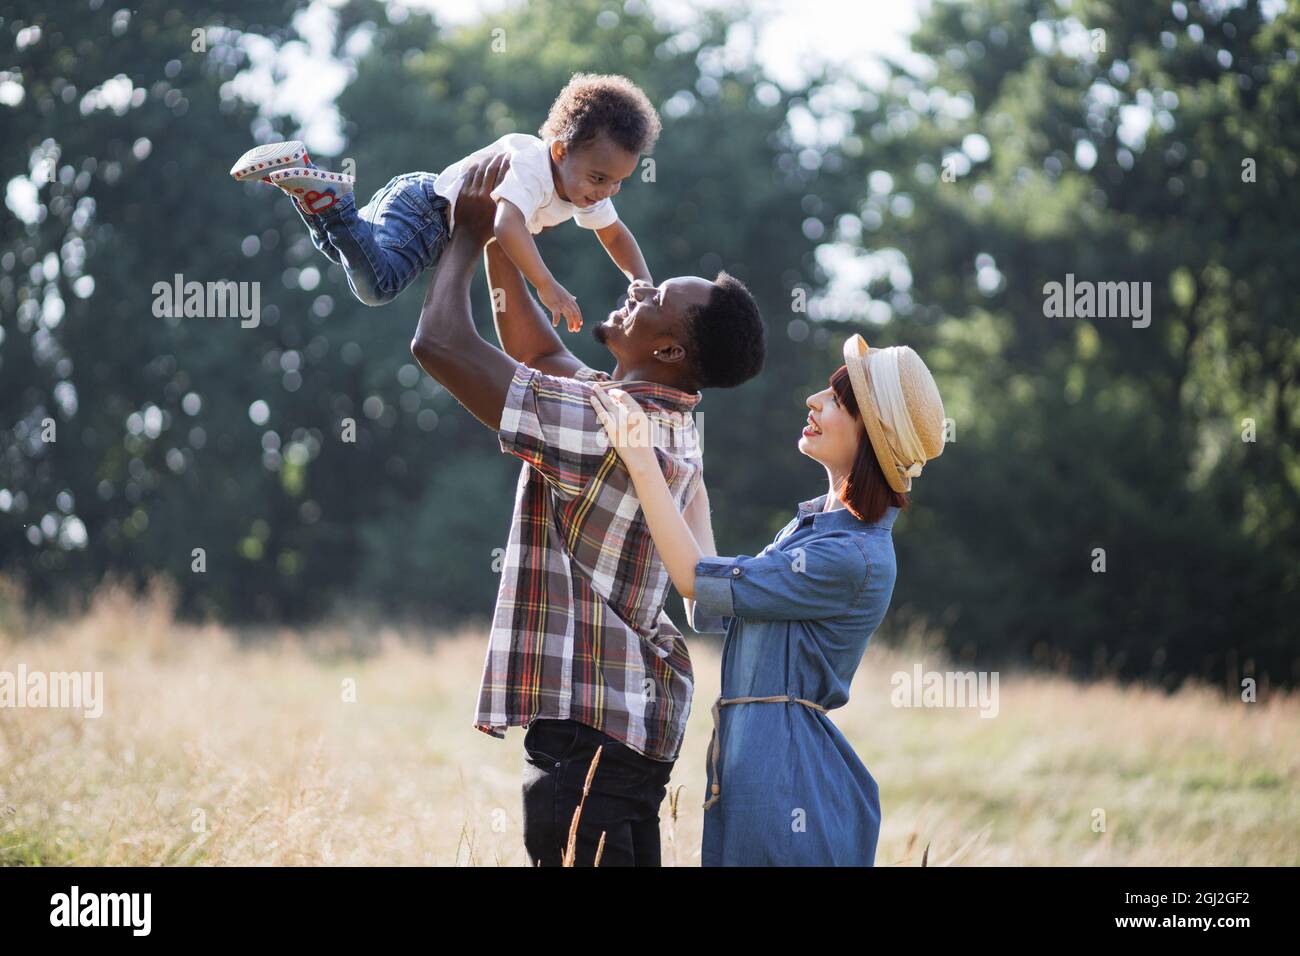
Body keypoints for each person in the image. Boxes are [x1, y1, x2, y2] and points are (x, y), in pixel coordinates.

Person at [407, 151, 766, 866]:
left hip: (588, 742)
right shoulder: (668, 415)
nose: (637, 288)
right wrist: (514, 232)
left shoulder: (605, 426)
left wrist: (467, 238)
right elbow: (538, 357)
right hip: (632, 731)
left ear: (666, 347)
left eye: (654, 297)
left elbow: (439, 344)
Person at [590, 333, 946, 865]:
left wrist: (642, 460)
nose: (814, 402)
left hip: (785, 776)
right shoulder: (813, 533)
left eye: (839, 401)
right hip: (759, 759)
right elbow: (707, 600)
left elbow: (692, 580)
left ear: (871, 437)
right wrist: (689, 476)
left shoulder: (850, 555)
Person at [229, 73, 658, 329]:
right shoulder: (532, 165)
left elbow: (615, 234)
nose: (604, 192)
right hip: (428, 211)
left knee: (343, 250)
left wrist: (642, 282)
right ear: (561, 151)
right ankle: (332, 200)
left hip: (427, 212)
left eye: (618, 183)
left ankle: (308, 185)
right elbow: (507, 226)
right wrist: (547, 287)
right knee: (379, 286)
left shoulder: (583, 186)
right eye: (599, 178)